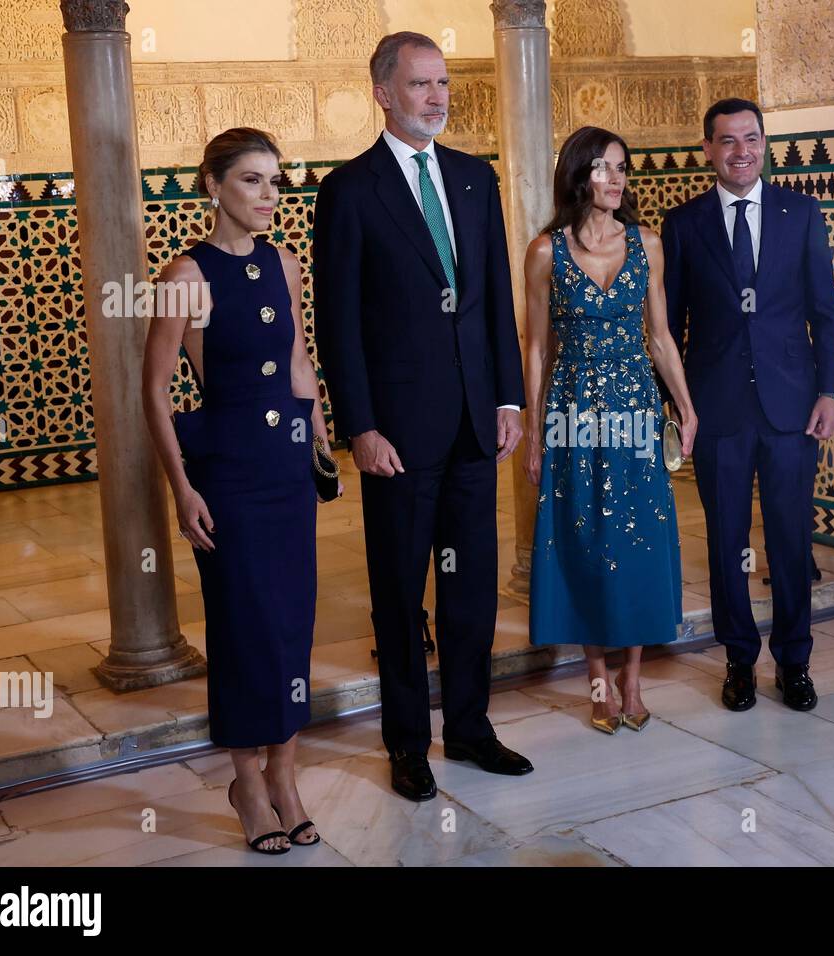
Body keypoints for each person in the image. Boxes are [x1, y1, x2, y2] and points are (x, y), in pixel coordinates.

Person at [312, 32, 532, 802]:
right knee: (400, 594)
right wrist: (360, 427)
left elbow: (495, 300)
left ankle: (471, 729)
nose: (437, 98)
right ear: (382, 92)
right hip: (398, 436)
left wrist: (510, 398)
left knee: (469, 590)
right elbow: (339, 323)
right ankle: (407, 743)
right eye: (419, 86)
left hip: (477, 423)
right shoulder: (349, 191)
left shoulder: (475, 180)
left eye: (442, 84)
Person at [144, 127, 340, 854]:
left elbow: (296, 360)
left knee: (292, 620)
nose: (269, 196)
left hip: (285, 468)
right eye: (254, 180)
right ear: (213, 185)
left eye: (275, 181)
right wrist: (181, 489)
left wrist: (320, 441)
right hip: (225, 473)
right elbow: (155, 397)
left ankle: (286, 777)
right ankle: (246, 783)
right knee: (241, 624)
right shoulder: (183, 278)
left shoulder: (284, 265)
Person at [661, 98, 834, 713]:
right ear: (707, 149)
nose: (742, 151)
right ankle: (739, 660)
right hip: (718, 412)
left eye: (752, 138)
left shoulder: (801, 213)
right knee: (726, 540)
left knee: (792, 540)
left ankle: (795, 662)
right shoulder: (682, 225)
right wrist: (679, 409)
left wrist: (831, 391)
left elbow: (826, 310)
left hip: (793, 408)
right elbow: (671, 327)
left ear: (764, 144)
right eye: (728, 140)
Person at [523, 127, 697, 734]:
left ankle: (633, 680)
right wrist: (534, 429)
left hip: (635, 413)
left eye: (622, 167)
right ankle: (596, 678)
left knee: (637, 539)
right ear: (578, 176)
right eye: (602, 167)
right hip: (573, 416)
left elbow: (661, 336)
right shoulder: (546, 251)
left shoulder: (647, 243)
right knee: (585, 540)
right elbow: (538, 347)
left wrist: (686, 405)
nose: (615, 178)